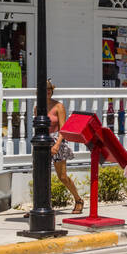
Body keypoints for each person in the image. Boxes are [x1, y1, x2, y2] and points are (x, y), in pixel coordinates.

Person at [48, 82, 83, 214]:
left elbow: (63, 128)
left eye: (49, 89)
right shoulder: (37, 107)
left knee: (62, 176)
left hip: (57, 140)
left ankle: (78, 199)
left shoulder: (58, 106)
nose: (47, 91)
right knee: (40, 176)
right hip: (43, 141)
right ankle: (39, 204)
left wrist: (57, 145)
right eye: (44, 89)